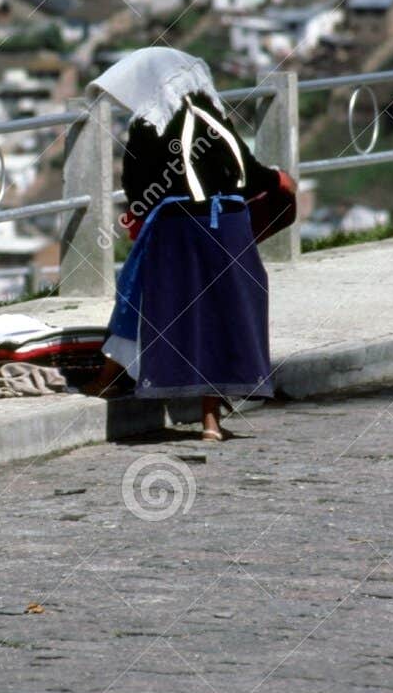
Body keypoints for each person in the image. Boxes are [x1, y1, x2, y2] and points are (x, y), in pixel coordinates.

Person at [83, 48, 295, 441]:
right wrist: (281, 179)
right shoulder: (213, 116)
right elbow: (247, 174)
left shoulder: (147, 125)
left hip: (175, 231)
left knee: (150, 307)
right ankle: (211, 421)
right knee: (221, 315)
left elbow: (136, 190)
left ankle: (106, 379)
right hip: (226, 228)